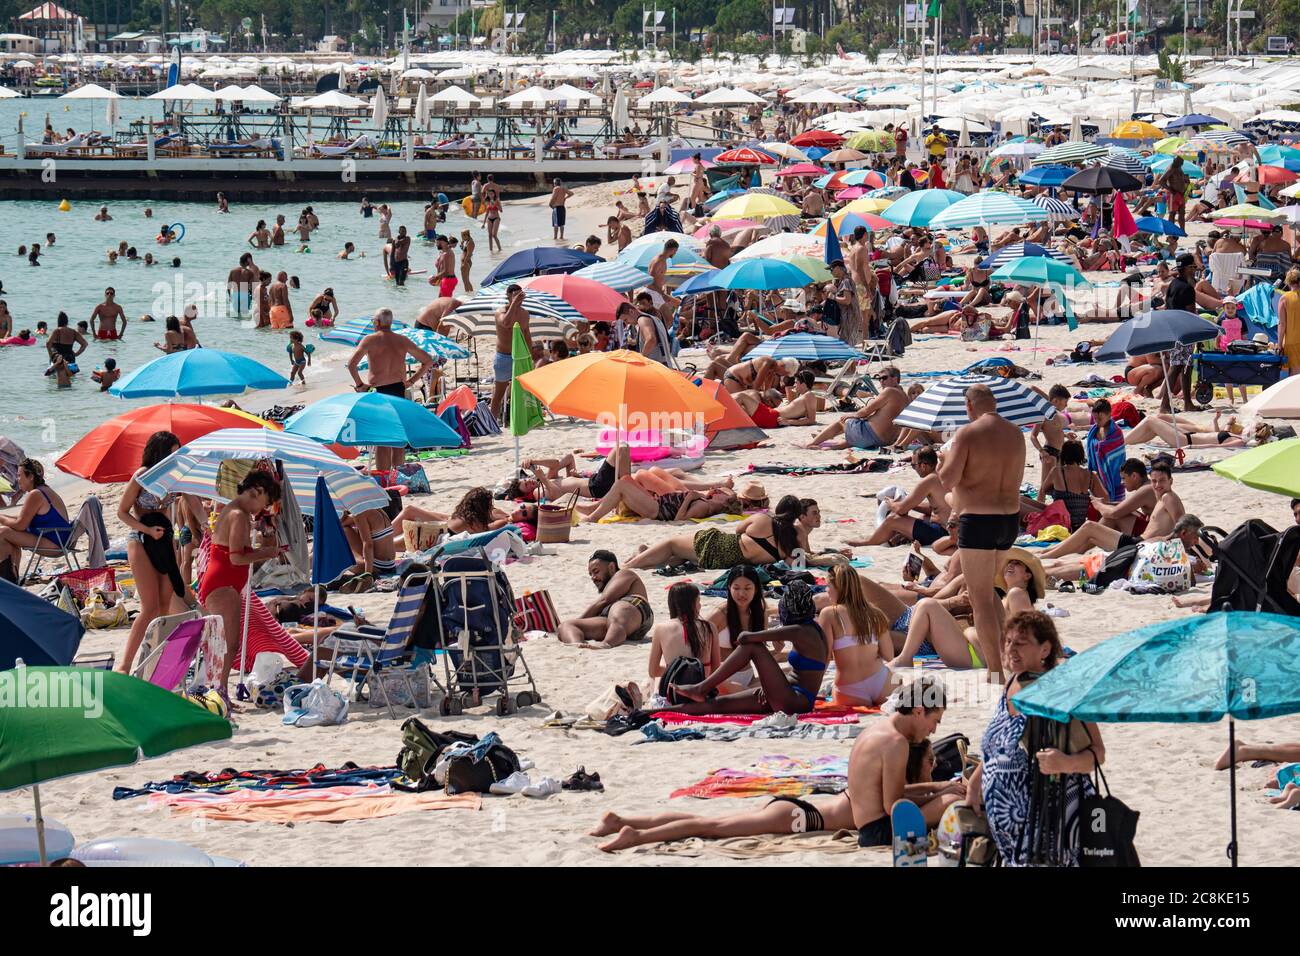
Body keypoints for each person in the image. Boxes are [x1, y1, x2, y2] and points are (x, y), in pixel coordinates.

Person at [967, 611, 1104, 866]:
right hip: (1007, 831)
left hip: (1049, 824)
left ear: (1045, 649)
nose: (1011, 649)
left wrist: (1065, 763)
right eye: (1008, 641)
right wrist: (975, 785)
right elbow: (997, 747)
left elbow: (1098, 753)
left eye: (1021, 643)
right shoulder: (1012, 684)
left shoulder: (1062, 691)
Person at [939, 383, 1025, 680]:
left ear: (969, 406)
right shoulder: (1015, 433)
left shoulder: (967, 433)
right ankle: (1009, 657)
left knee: (980, 599)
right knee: (989, 591)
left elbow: (948, 480)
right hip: (1009, 520)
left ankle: (995, 671)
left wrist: (943, 461)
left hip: (979, 520)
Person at [653, 581, 828, 716]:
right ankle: (649, 713)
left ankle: (702, 688)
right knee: (719, 705)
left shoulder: (802, 631)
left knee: (753, 647)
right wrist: (772, 687)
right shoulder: (810, 629)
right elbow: (802, 676)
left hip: (795, 702)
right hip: (788, 694)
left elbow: (746, 638)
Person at [114, 432, 194, 673]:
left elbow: (175, 511)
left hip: (165, 541)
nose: (176, 456)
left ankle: (154, 663)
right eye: (172, 451)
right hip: (141, 540)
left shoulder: (172, 477)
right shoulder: (143, 475)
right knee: (149, 607)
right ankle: (125, 665)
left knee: (163, 606)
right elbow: (122, 512)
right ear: (160, 452)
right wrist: (147, 529)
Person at [199, 472, 285, 695]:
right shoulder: (238, 514)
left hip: (224, 583)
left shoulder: (235, 510)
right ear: (256, 491)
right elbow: (236, 557)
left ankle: (219, 689)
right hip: (223, 584)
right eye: (263, 504)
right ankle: (219, 691)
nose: (260, 511)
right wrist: (266, 553)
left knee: (226, 643)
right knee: (228, 644)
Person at [891, 548, 1044, 669]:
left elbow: (1027, 632)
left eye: (1017, 564)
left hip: (976, 655)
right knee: (926, 605)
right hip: (970, 651)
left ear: (1028, 576)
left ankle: (905, 658)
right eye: (1009, 563)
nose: (1010, 565)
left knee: (927, 605)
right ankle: (904, 657)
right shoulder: (1007, 596)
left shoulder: (1017, 593)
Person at [848, 676, 948, 847]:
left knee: (949, 794)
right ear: (918, 711)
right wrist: (940, 796)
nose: (933, 730)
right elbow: (893, 805)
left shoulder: (878, 729)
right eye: (934, 721)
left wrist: (937, 786)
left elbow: (892, 792)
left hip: (867, 830)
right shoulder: (895, 742)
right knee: (952, 800)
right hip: (879, 832)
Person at [625, 494, 846, 570]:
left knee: (672, 543)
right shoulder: (793, 541)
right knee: (677, 556)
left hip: (719, 545)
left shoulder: (762, 519)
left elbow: (737, 529)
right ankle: (645, 554)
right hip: (728, 561)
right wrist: (824, 558)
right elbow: (798, 562)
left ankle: (629, 565)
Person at [346, 309, 434, 470]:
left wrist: (360, 385)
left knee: (382, 439)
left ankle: (384, 476)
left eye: (374, 321)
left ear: (377, 322)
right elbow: (428, 361)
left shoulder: (369, 340)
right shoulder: (402, 340)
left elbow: (351, 365)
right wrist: (411, 381)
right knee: (397, 438)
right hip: (399, 390)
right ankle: (398, 475)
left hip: (378, 392)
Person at [1041, 460, 1186, 558]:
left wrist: (1163, 539)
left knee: (1090, 526)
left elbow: (1182, 525)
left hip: (1142, 545)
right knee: (1095, 530)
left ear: (1170, 481)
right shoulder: (1159, 494)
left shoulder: (1164, 496)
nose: (1157, 485)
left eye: (1162, 481)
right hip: (1141, 542)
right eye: (1155, 481)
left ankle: (1047, 556)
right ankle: (1057, 552)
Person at [820, 564, 894, 706]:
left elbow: (825, 658)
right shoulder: (875, 613)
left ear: (839, 588)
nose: (826, 590)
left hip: (849, 688)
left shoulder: (829, 614)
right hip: (882, 682)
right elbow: (889, 655)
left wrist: (812, 690)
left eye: (828, 585)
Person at [847, 445, 951, 547]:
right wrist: (912, 504)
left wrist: (890, 503)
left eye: (913, 465)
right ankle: (895, 539)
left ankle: (869, 542)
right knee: (923, 517)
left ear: (923, 466)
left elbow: (900, 510)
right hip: (950, 529)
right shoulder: (943, 475)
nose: (914, 469)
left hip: (942, 534)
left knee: (893, 519)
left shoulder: (929, 481)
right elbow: (936, 507)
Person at [557, 550, 654, 649]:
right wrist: (577, 623)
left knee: (619, 608)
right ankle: (577, 645)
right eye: (591, 574)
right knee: (566, 625)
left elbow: (605, 600)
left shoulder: (624, 574)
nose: (593, 577)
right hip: (615, 623)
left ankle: (607, 643)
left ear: (611, 567)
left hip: (635, 610)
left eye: (596, 571)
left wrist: (580, 619)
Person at [0, 459, 73, 584]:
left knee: (3, 532)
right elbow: (21, 519)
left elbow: (20, 525)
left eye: (19, 475)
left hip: (55, 543)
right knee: (6, 534)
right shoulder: (43, 490)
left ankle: (8, 580)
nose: (17, 479)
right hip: (58, 538)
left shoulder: (36, 494)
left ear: (31, 477)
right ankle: (11, 578)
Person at [805, 366, 908, 449]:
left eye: (884, 378)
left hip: (871, 435)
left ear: (895, 379)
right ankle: (831, 447)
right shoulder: (905, 397)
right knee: (854, 432)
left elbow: (866, 411)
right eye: (879, 378)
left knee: (842, 421)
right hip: (885, 441)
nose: (881, 381)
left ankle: (812, 443)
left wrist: (853, 414)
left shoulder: (889, 391)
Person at [647, 581, 719, 683]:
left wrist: (676, 671)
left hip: (675, 692)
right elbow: (716, 668)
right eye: (698, 601)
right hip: (702, 689)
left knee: (654, 677)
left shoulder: (660, 628)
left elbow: (653, 671)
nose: (700, 606)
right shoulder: (710, 627)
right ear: (693, 604)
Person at [1038, 438, 1108, 531]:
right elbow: (1105, 497)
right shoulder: (1091, 475)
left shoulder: (1057, 471)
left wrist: (1057, 492)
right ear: (1081, 455)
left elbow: (1044, 490)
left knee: (1023, 501)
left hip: (1061, 522)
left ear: (1063, 455)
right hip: (1080, 523)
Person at [489, 284, 531, 420]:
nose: (520, 299)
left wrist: (529, 356)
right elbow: (506, 323)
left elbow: (526, 335)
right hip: (503, 357)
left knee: (522, 391)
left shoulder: (524, 313)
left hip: (520, 357)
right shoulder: (500, 312)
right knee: (499, 393)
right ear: (508, 295)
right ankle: (492, 421)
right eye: (516, 295)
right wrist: (513, 303)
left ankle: (520, 418)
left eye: (521, 296)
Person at [1278, 267, 1300, 374]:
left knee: (1295, 376)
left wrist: (1279, 343)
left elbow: (1282, 324)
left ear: (1288, 282)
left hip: (1292, 341)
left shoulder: (1284, 298)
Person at [459, 229, 475, 294]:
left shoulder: (470, 242)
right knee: (466, 280)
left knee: (465, 281)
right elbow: (464, 251)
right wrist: (462, 244)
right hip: (465, 262)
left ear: (466, 235)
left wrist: (464, 263)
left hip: (466, 262)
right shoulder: (468, 241)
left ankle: (468, 294)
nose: (461, 238)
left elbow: (469, 254)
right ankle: (470, 293)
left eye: (462, 236)